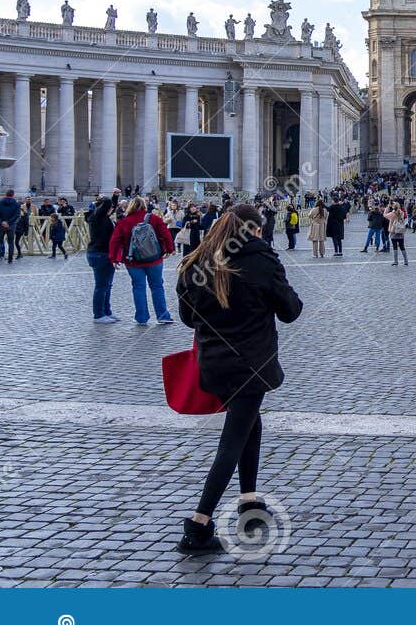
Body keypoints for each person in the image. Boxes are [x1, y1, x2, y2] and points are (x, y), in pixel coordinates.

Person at [174, 205, 304, 555]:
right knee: (231, 442)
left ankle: (249, 499)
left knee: (250, 426)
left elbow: (188, 317)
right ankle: (198, 527)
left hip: (214, 363)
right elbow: (290, 311)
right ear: (257, 231)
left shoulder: (197, 262)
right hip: (251, 364)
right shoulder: (262, 262)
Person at [107, 196, 176, 326]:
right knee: (157, 286)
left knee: (138, 287)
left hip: (133, 261)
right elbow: (165, 233)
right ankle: (163, 316)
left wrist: (113, 258)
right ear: (144, 206)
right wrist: (170, 249)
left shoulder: (123, 222)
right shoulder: (154, 219)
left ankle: (141, 317)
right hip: (154, 259)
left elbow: (114, 241)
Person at [84, 193, 119, 322]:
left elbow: (112, 207)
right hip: (99, 253)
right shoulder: (97, 217)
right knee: (101, 286)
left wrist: (115, 197)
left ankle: (106, 311)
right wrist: (107, 197)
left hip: (104, 253)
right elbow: (108, 205)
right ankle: (98, 314)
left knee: (107, 285)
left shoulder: (102, 217)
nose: (111, 211)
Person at [0, 190, 21, 264]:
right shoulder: (16, 204)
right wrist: (9, 222)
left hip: (1, 225)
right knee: (11, 242)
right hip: (11, 225)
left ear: (5, 194)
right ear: (13, 195)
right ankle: (10, 258)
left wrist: (1, 222)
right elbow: (17, 215)